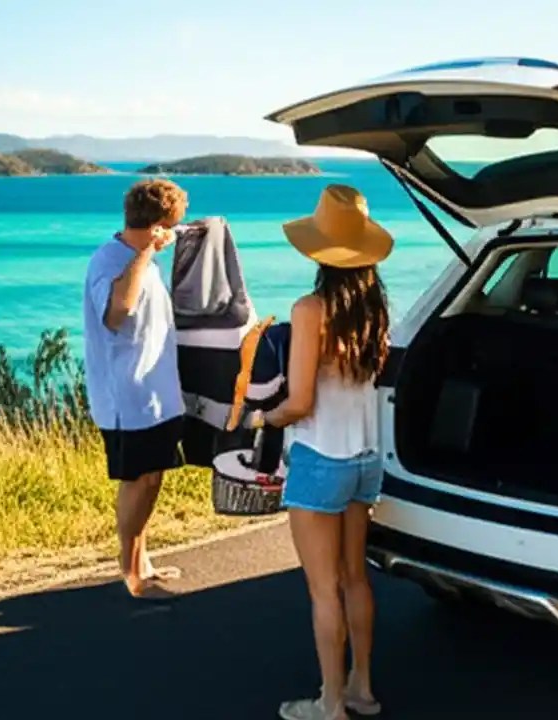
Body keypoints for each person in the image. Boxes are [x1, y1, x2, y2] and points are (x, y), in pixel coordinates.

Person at [241, 184, 393, 720]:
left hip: (321, 459)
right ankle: (362, 690)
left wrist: (265, 416)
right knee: (355, 577)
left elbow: (301, 400)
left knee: (323, 590)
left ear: (318, 252)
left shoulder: (311, 309)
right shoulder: (374, 308)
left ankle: (330, 705)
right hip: (365, 460)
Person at [82, 178, 189, 598]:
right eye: (172, 225)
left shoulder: (143, 259)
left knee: (153, 478)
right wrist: (145, 253)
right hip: (126, 399)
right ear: (159, 224)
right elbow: (117, 312)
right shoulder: (110, 260)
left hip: (157, 395)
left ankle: (143, 561)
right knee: (137, 481)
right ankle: (131, 574)